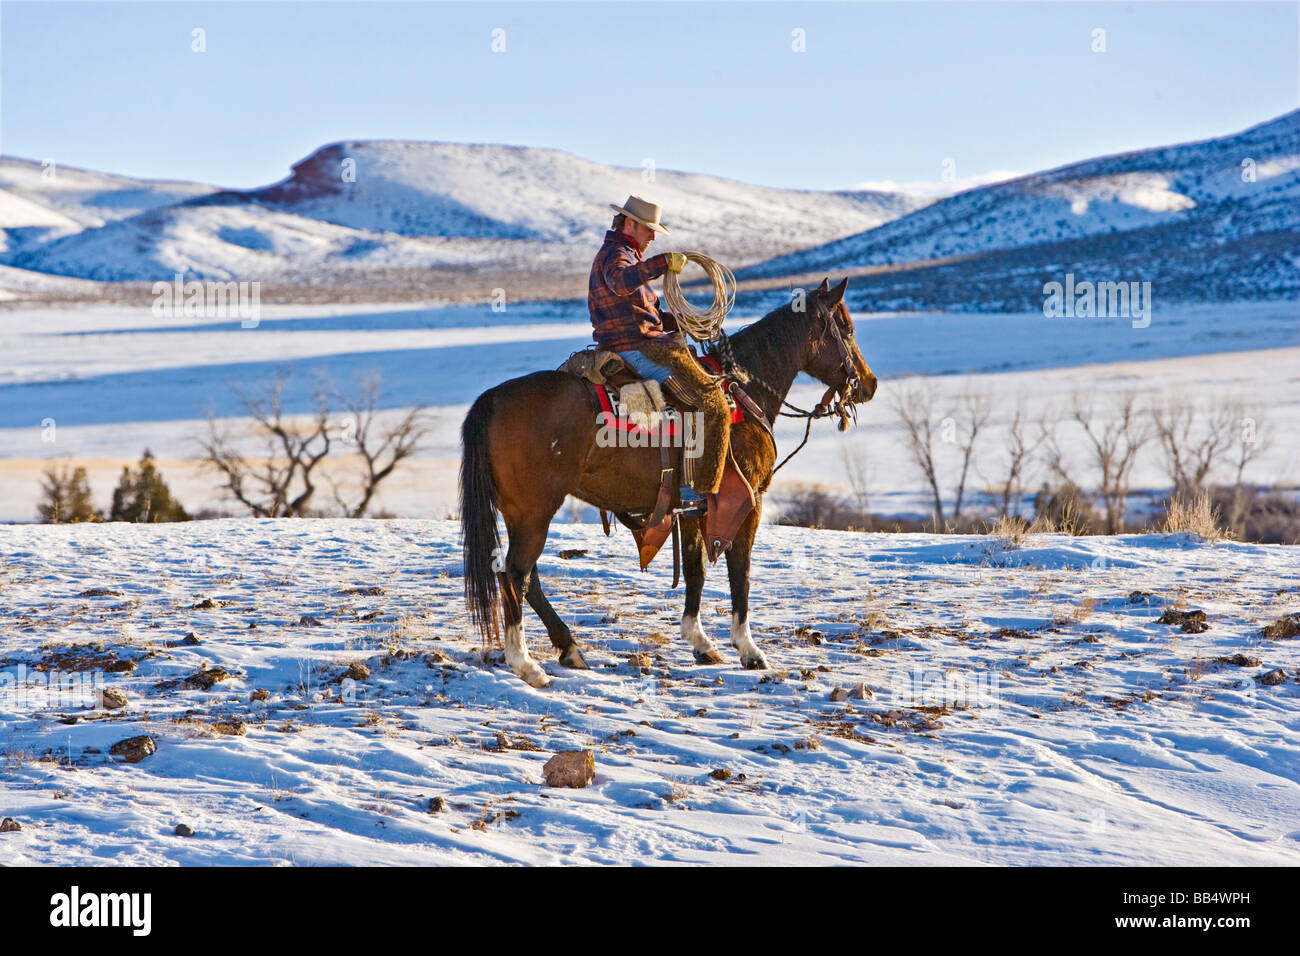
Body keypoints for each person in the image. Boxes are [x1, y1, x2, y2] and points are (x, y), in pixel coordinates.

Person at [587, 196, 731, 503]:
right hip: (638, 350)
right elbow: (622, 283)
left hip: (638, 342)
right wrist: (661, 264)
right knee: (711, 401)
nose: (653, 237)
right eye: (649, 230)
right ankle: (694, 490)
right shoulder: (617, 255)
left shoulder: (626, 255)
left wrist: (685, 322)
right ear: (630, 223)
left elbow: (645, 314)